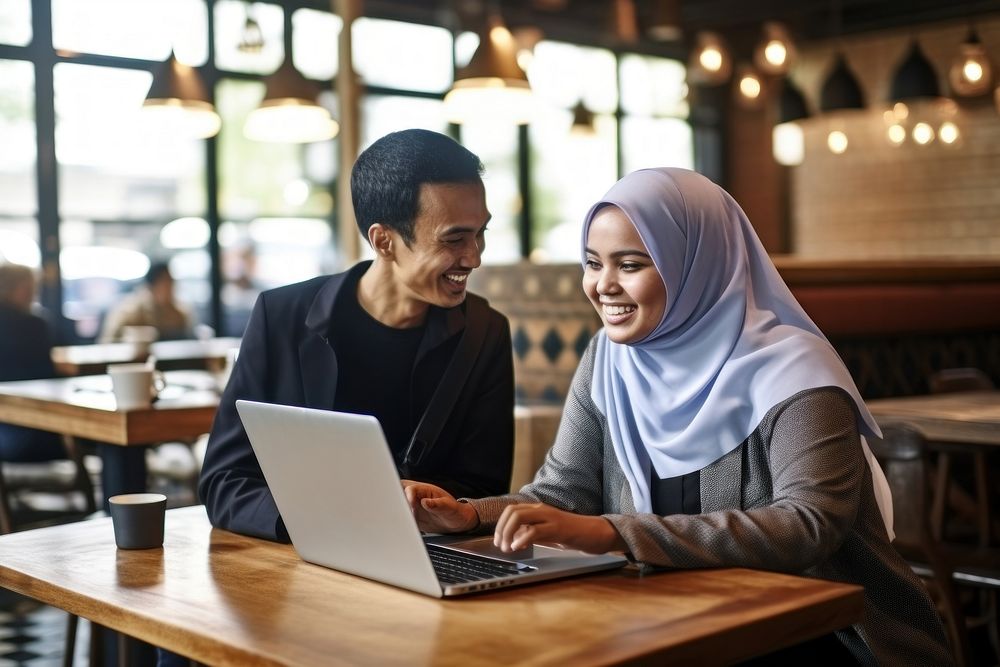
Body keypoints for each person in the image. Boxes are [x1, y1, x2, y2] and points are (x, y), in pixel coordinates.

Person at [405, 168, 954, 666]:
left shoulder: (795, 369)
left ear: (697, 264)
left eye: (632, 264)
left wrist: (610, 534)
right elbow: (562, 495)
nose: (604, 286)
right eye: (593, 264)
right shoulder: (610, 359)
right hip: (674, 622)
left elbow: (808, 527)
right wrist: (468, 515)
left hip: (828, 638)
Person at [199, 129, 515, 542]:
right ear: (384, 241)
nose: (474, 257)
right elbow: (224, 481)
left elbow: (484, 491)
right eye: (454, 239)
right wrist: (317, 521)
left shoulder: (485, 332)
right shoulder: (281, 318)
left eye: (480, 233)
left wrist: (440, 509)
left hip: (428, 559)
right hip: (298, 563)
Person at [0, 263, 67, 462]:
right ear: (20, 288)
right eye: (32, 287)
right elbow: (45, 374)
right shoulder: (34, 325)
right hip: (32, 435)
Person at [98, 261, 195, 343]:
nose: (170, 288)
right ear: (152, 286)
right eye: (165, 283)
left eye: (171, 283)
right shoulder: (130, 312)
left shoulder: (179, 313)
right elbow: (108, 343)